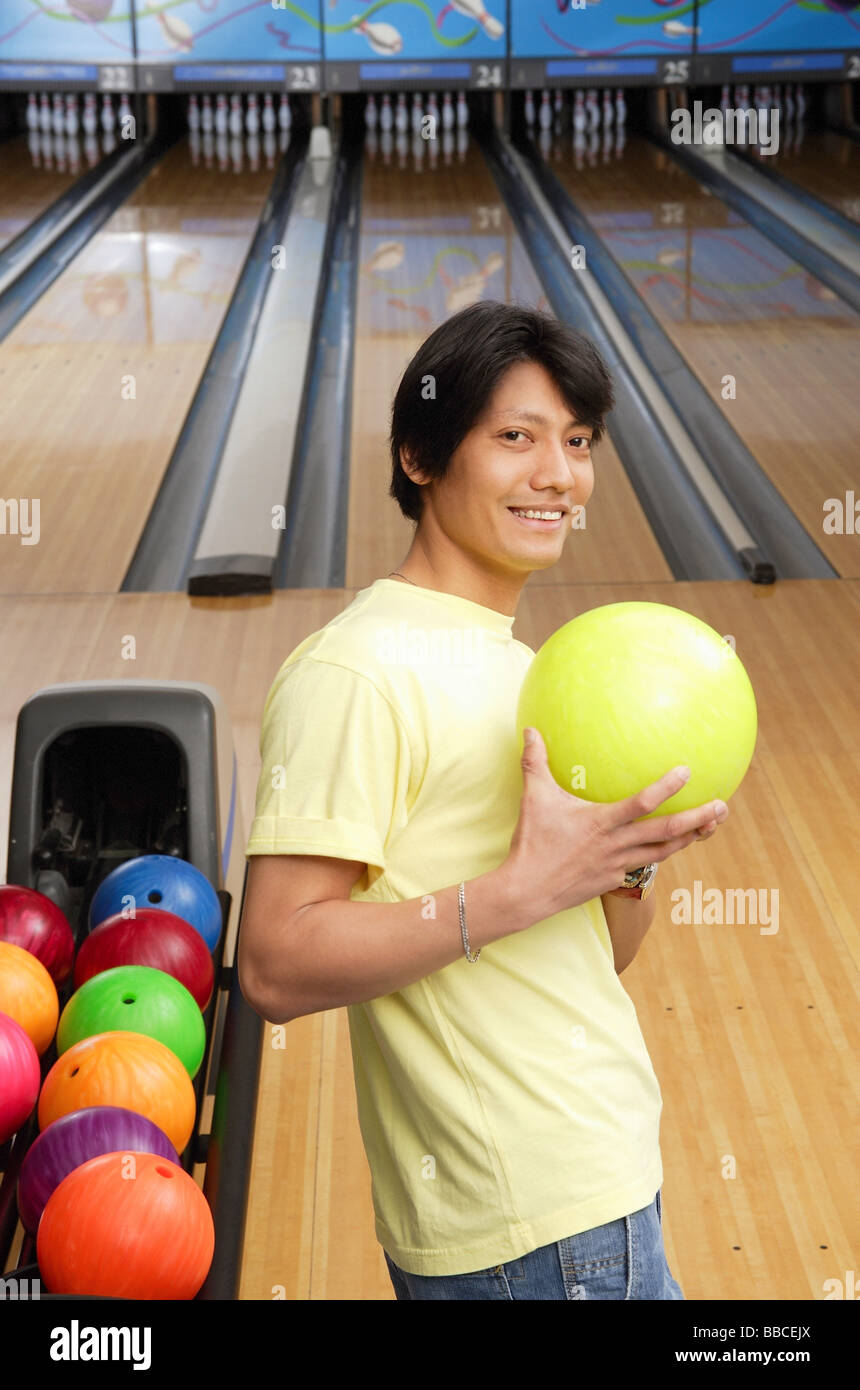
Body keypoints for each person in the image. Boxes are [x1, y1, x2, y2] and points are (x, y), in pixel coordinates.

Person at [238, 301, 729, 1300]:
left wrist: (629, 858)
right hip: (525, 1226)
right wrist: (512, 891)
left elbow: (598, 952)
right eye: (516, 437)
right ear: (420, 454)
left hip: (600, 1179)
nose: (558, 474)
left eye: (577, 442)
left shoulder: (531, 674)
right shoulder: (358, 670)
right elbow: (275, 963)